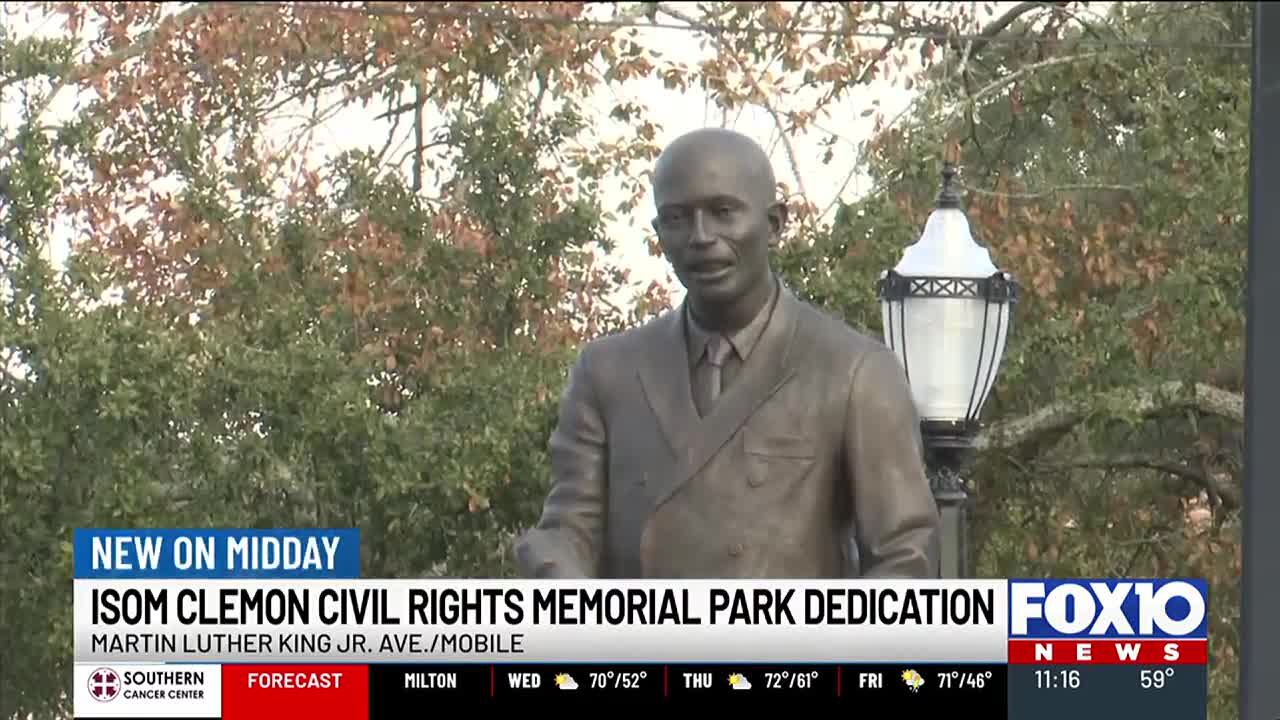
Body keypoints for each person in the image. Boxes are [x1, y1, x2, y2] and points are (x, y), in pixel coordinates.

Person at [513, 127, 939, 579]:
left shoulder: (854, 371)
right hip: (641, 646)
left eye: (722, 212)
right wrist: (561, 576)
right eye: (677, 218)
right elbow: (569, 527)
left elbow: (904, 557)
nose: (700, 236)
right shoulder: (607, 371)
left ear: (774, 223)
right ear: (658, 233)